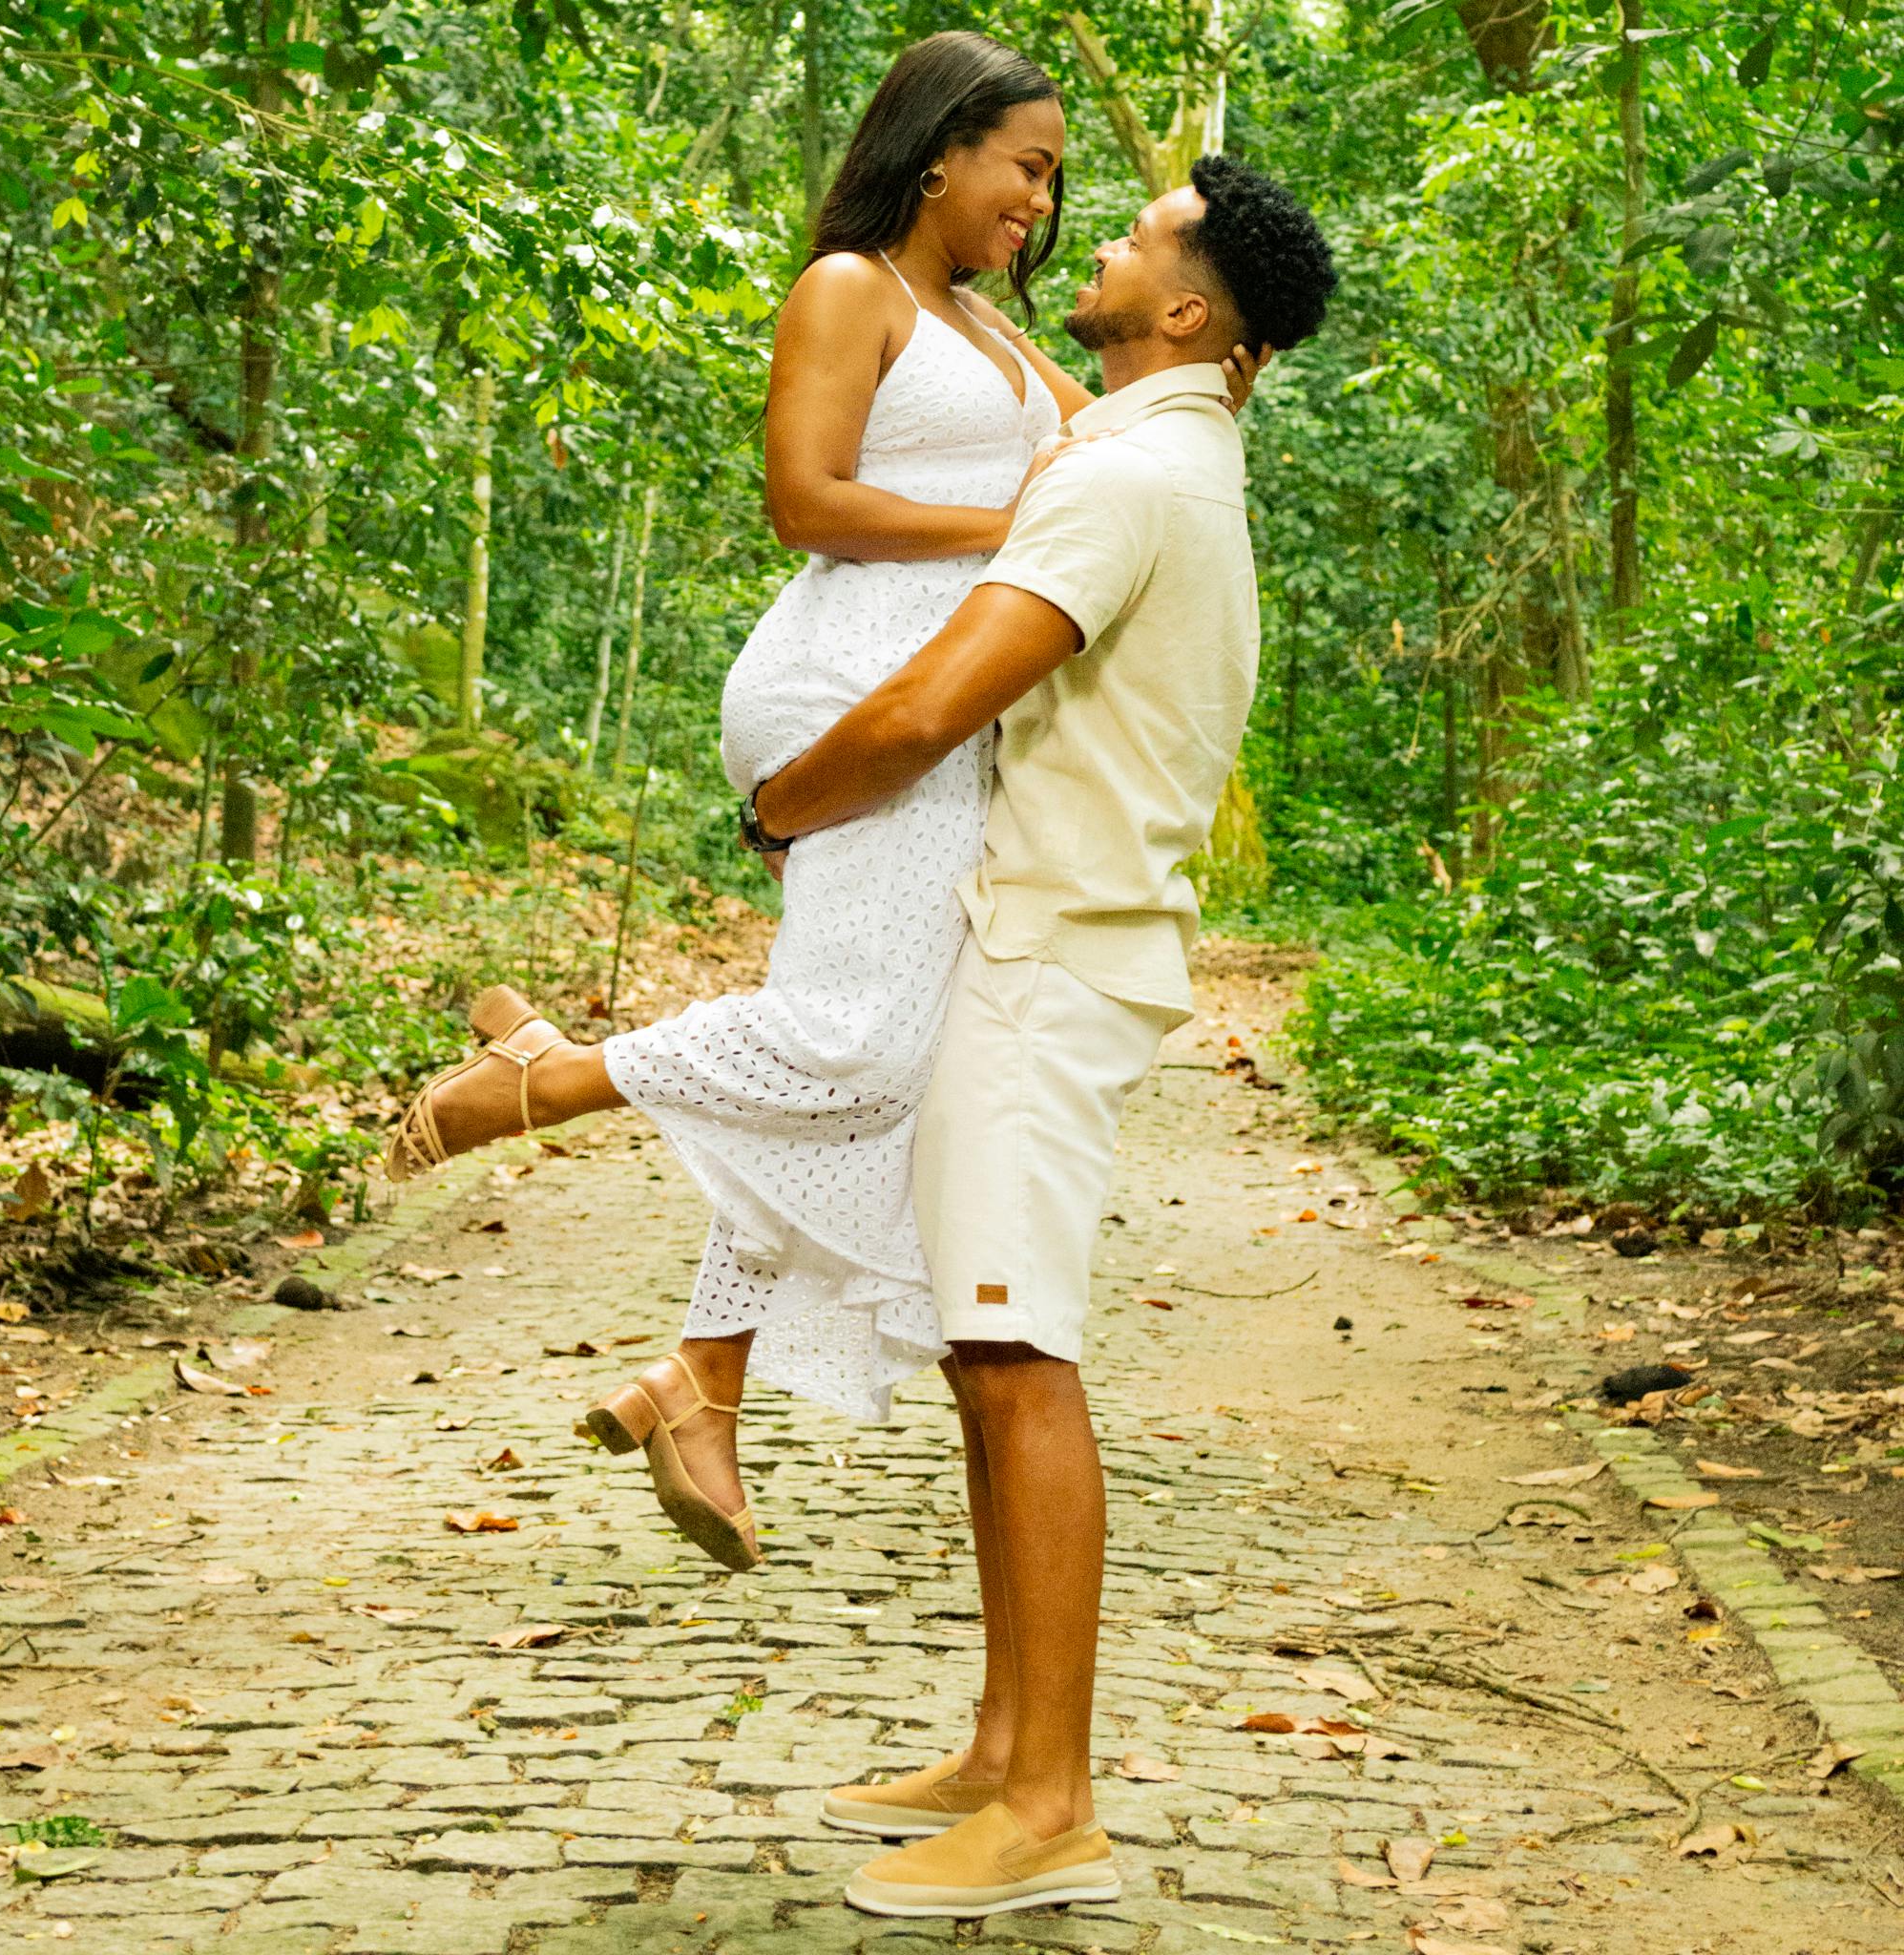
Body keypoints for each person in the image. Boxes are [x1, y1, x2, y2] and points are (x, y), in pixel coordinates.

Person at [384, 32, 1255, 1576]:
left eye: (1057, 184)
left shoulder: (981, 325)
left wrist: (1226, 371)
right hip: (849, 693)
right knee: (863, 1040)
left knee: (905, 1061)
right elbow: (810, 498)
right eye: (1028, 169)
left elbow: (1114, 435)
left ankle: (702, 1378)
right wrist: (1020, 526)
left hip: (938, 712)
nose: (1042, 208)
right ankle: (547, 1078)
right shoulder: (849, 287)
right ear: (940, 152)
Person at [744, 155, 1338, 1918]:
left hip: (1048, 951)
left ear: (1183, 311)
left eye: (1147, 228)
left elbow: (939, 704)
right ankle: (1006, 1747)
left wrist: (786, 805)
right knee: (983, 1352)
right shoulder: (1172, 451)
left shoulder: (1131, 476)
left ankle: (1053, 1809)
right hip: (1066, 935)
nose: (1103, 227)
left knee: (1015, 1350)